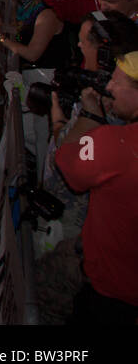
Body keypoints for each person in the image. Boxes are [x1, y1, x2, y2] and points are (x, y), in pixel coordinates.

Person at [52, 41, 138, 324]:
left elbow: (68, 161)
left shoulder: (119, 145)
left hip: (113, 295)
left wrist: (89, 116)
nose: (110, 87)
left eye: (117, 81)